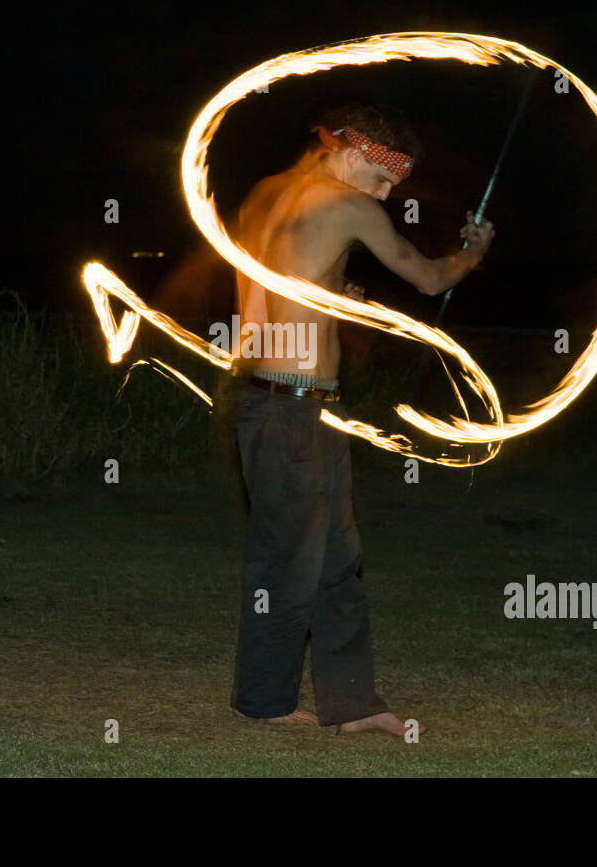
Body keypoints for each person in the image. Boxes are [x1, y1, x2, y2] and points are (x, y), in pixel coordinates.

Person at [228, 103, 495, 736]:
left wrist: (330, 300)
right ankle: (265, 704)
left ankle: (351, 705)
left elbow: (270, 297)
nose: (385, 196)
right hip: (296, 410)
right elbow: (428, 278)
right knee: (292, 562)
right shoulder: (349, 203)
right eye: (382, 181)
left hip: (269, 404)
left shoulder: (265, 196)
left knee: (333, 556)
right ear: (355, 155)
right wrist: (472, 252)